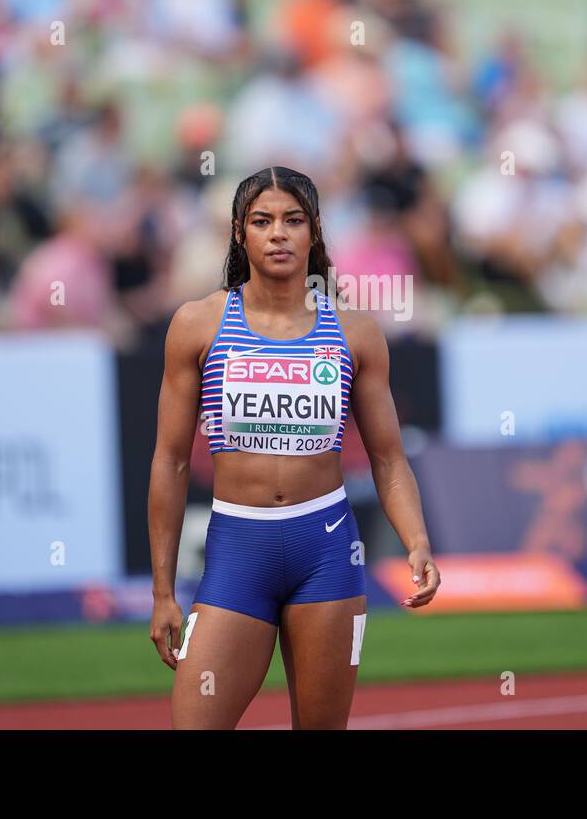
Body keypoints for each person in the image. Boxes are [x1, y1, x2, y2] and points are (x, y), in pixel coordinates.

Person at [147, 166, 439, 729]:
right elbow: (171, 460)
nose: (278, 233)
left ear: (315, 232)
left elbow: (388, 458)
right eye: (262, 221)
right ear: (240, 233)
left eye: (292, 220)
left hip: (326, 549)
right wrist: (163, 591)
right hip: (237, 548)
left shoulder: (354, 331)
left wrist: (417, 541)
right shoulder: (198, 324)